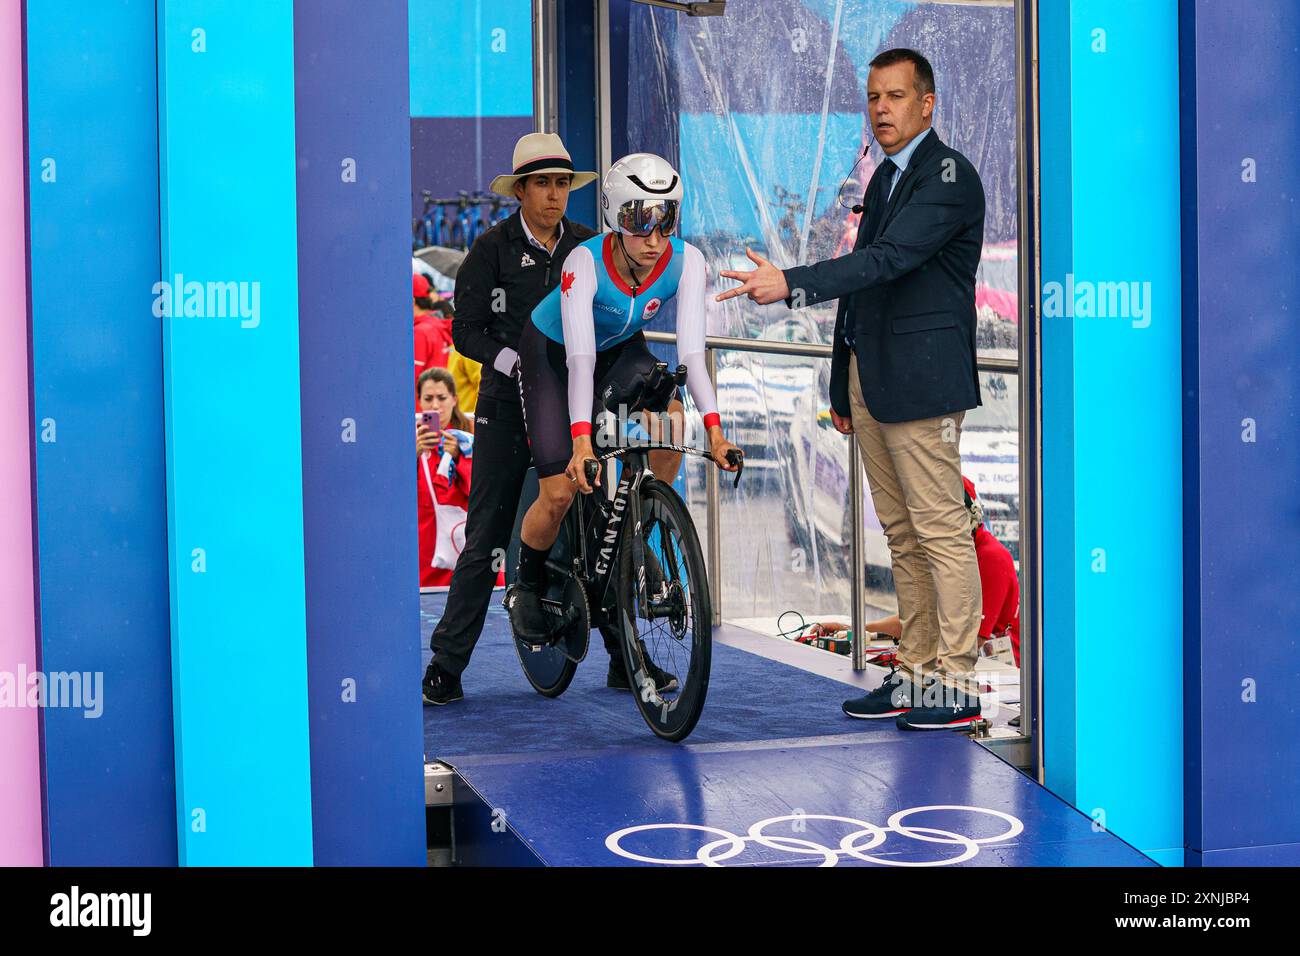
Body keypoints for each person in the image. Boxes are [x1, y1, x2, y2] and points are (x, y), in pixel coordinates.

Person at [718, 48, 987, 730]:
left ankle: (952, 683)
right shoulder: (887, 178)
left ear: (927, 103)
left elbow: (887, 262)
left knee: (939, 531)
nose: (882, 109)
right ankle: (917, 675)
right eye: (873, 97)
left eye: (895, 97)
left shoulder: (948, 175)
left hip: (923, 383)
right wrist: (842, 387)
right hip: (873, 380)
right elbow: (865, 294)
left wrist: (792, 281)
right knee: (901, 534)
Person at [506, 152, 743, 691]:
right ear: (615, 215)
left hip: (620, 348)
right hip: (554, 354)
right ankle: (527, 580)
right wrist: (582, 444)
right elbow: (580, 362)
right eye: (639, 219)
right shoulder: (583, 264)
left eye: (666, 218)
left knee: (671, 415)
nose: (654, 235)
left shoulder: (688, 261)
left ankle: (644, 518)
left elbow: (691, 354)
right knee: (560, 491)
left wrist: (718, 431)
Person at [422, 132, 600, 706]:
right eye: (544, 184)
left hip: (571, 410)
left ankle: (627, 660)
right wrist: (513, 360)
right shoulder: (489, 250)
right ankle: (446, 668)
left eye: (563, 185)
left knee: (598, 527)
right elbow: (463, 329)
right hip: (504, 408)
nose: (555, 196)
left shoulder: (586, 246)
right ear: (520, 190)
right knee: (486, 539)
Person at [864, 477, 1021, 666]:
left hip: (997, 671)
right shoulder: (948, 555)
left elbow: (970, 642)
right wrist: (858, 630)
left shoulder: (992, 558)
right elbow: (919, 622)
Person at [416, 368, 478, 591]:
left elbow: (479, 492)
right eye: (428, 398)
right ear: (419, 401)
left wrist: (461, 458)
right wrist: (413, 455)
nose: (435, 406)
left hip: (465, 544)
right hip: (427, 549)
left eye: (441, 398)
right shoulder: (410, 439)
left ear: (454, 399)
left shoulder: (470, 439)